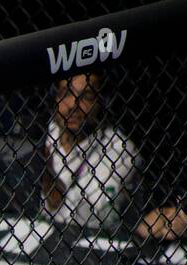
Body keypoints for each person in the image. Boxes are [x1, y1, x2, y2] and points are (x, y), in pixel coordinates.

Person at [41, 73, 139, 233]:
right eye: (66, 93)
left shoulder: (120, 151)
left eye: (85, 96)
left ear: (100, 102)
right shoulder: (41, 135)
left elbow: (97, 217)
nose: (73, 104)